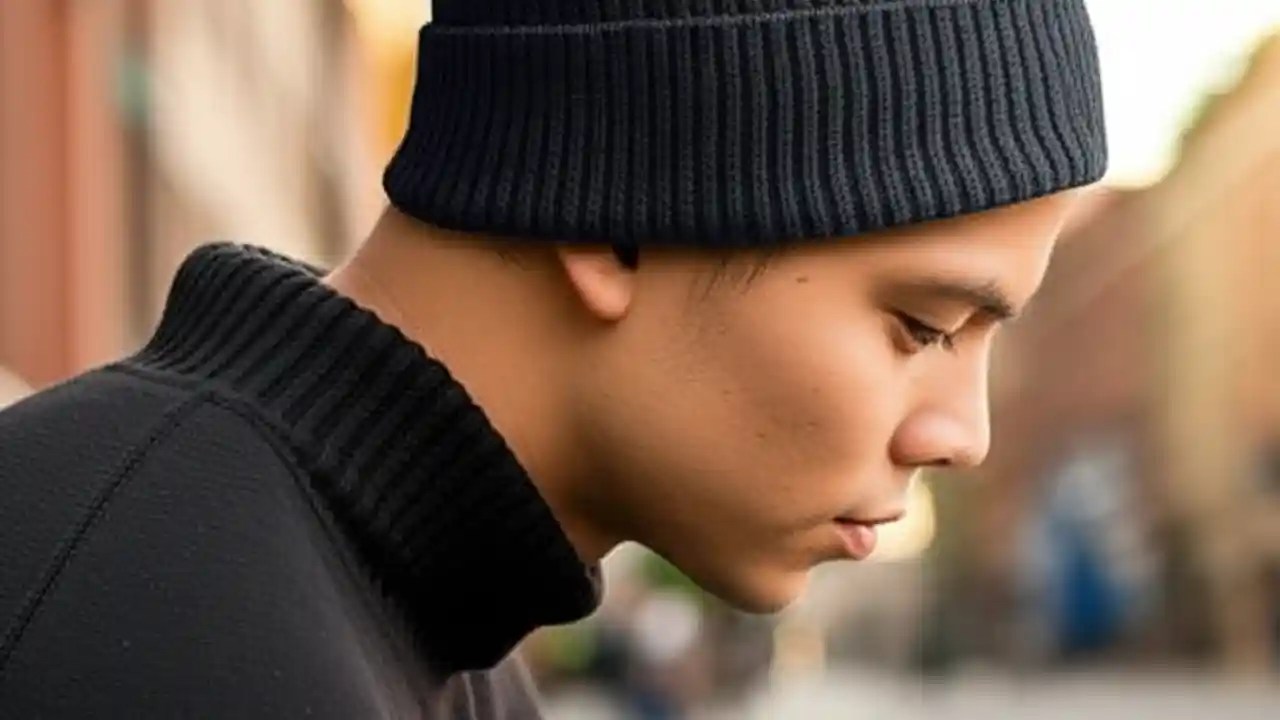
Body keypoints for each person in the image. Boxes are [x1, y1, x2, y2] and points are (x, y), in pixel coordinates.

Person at [0, 0, 1107, 717]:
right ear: (615, 217)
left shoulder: (421, 633)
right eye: (922, 325)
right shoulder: (158, 640)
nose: (963, 435)